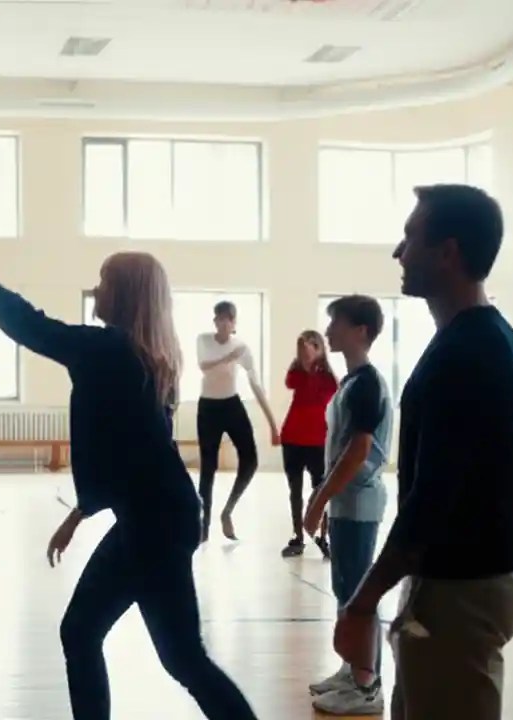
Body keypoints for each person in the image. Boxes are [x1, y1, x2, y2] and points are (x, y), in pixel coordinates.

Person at [0, 234, 257, 720]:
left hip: (155, 522)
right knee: (158, 651)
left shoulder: (111, 350)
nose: (94, 291)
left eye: (103, 282)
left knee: (146, 648)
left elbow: (30, 325)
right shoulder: (145, 354)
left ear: (126, 295)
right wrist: (80, 512)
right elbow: (132, 452)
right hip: (155, 516)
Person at [333, 184, 513, 720]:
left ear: (448, 253)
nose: (399, 252)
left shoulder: (466, 355)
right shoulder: (488, 340)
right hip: (466, 580)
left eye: (410, 237)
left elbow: (431, 502)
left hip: (464, 589)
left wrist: (363, 599)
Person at [301, 296, 392, 716]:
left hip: (357, 502)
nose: (329, 329)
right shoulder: (350, 382)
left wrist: (318, 500)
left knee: (358, 593)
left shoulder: (369, 383)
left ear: (360, 331)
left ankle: (366, 685)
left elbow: (358, 450)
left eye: (336, 321)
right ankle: (352, 669)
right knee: (345, 589)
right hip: (344, 502)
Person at [195, 301, 280, 542]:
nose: (223, 323)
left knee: (250, 459)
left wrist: (273, 425)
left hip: (231, 404)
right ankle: (204, 526)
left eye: (228, 319)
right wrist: (230, 356)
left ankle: (228, 511)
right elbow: (203, 365)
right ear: (215, 322)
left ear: (234, 324)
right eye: (219, 318)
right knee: (208, 469)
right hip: (208, 406)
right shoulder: (204, 340)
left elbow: (255, 384)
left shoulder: (241, 347)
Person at [279, 331, 339, 558]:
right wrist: (304, 365)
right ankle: (298, 537)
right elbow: (290, 382)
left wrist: (313, 367)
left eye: (313, 345)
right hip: (293, 438)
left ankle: (323, 536)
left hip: (318, 440)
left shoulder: (327, 378)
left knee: (321, 489)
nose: (307, 350)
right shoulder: (296, 373)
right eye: (303, 346)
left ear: (320, 348)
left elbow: (326, 394)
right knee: (294, 490)